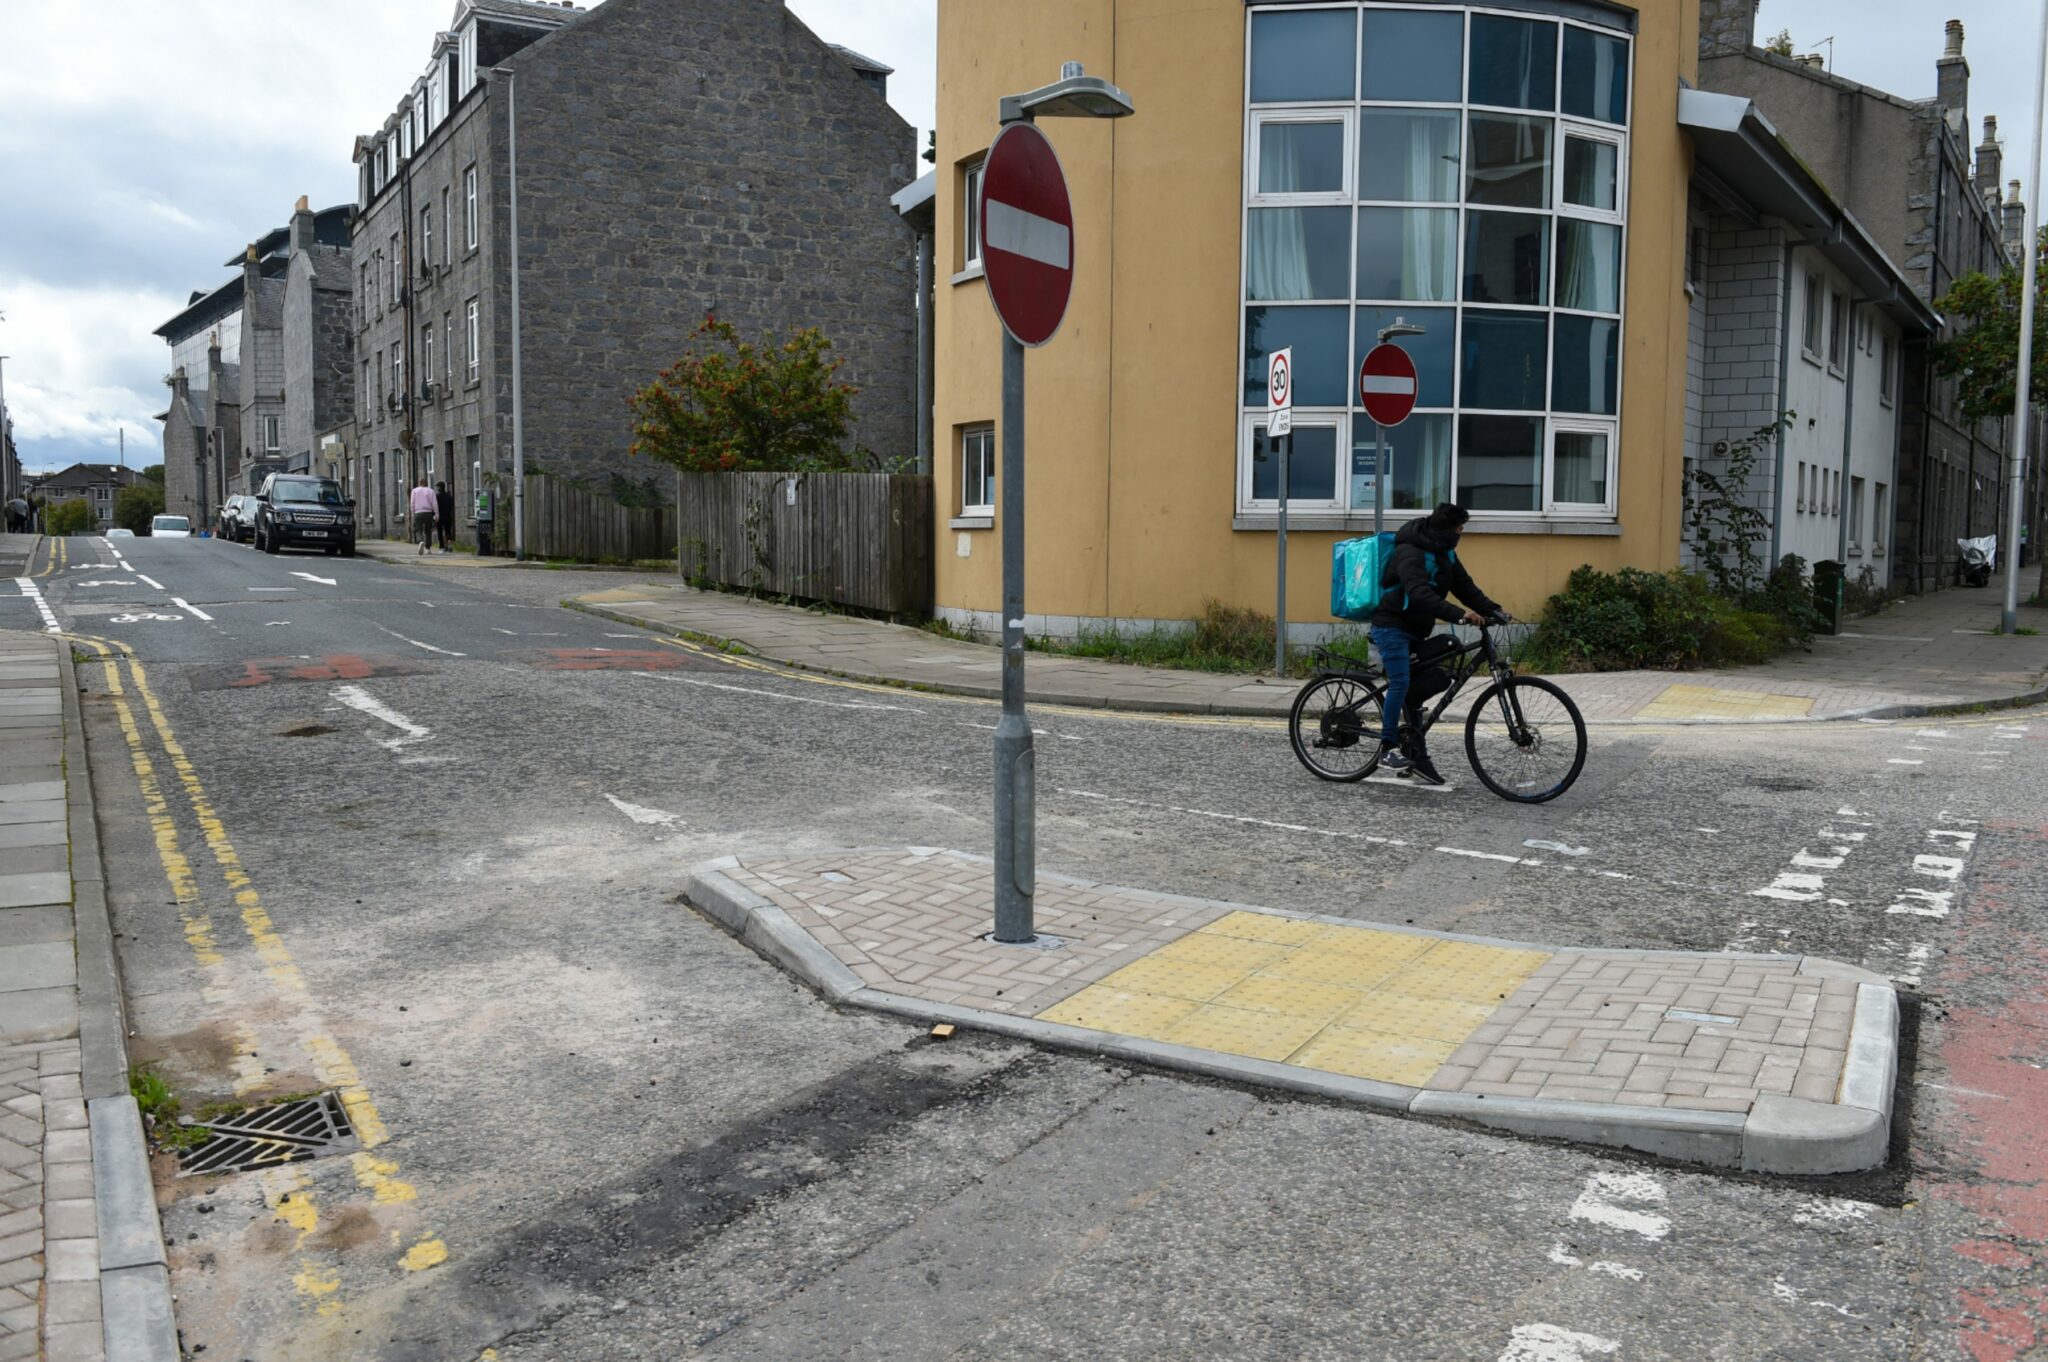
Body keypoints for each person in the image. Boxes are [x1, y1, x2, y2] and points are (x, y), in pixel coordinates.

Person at [1367, 502, 1504, 785]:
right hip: (1391, 627)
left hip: (1416, 631)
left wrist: (1494, 610)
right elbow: (1418, 593)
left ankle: (1416, 754)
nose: (1460, 534)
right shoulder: (1409, 550)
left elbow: (1466, 588)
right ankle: (1387, 748)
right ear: (1445, 531)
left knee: (1449, 649)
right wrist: (1460, 614)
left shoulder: (1445, 555)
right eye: (1458, 529)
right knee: (1401, 682)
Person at [408, 478, 439, 555]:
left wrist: (412, 513)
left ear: (419, 483)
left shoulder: (414, 491)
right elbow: (434, 504)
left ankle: (420, 541)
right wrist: (437, 514)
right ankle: (428, 548)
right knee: (428, 531)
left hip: (418, 513)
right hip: (428, 513)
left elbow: (412, 503)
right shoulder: (431, 491)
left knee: (418, 529)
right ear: (426, 483)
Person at [434, 480, 455, 553]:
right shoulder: (449, 496)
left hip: (440, 516)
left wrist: (434, 515)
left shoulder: (437, 496)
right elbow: (451, 506)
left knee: (440, 531)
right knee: (448, 531)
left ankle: (442, 547)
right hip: (448, 516)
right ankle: (449, 542)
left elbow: (435, 506)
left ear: (439, 488)